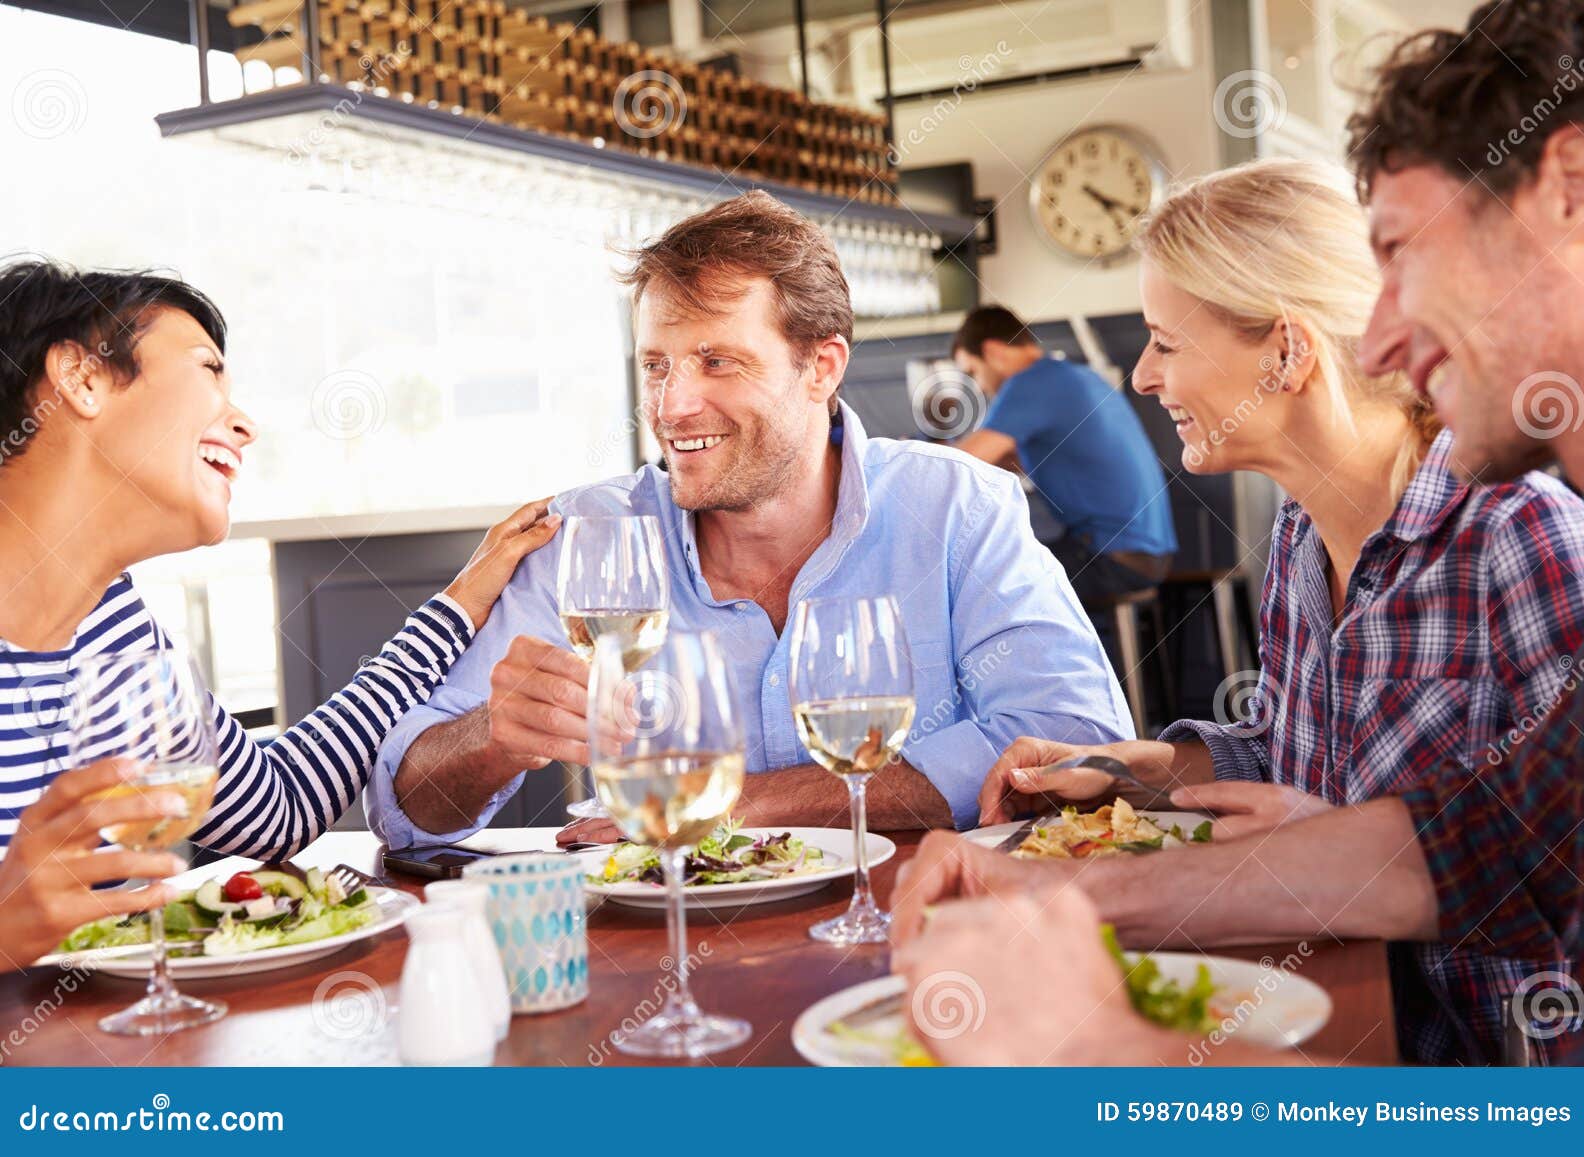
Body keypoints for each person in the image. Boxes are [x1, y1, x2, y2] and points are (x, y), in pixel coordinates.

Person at [893, 0, 1584, 1067]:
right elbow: (1478, 837)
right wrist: (1094, 837)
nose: (1385, 334)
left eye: (1406, 254)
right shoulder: (1294, 542)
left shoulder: (1528, 535)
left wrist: (1110, 1041)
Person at [368, 191, 1132, 850]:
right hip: (668, 979)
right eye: (657, 365)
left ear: (822, 368)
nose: (670, 407)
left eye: (717, 361)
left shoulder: (956, 508)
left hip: (925, 952)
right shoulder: (587, 537)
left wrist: (737, 802)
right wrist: (492, 740)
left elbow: (1078, 740)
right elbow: (404, 810)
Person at [0, 260, 559, 970]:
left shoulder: (115, 630)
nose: (244, 422)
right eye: (208, 369)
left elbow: (280, 808)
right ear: (81, 380)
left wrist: (456, 608)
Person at [949, 306, 1176, 602]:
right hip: (1148, 554)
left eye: (973, 372)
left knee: (976, 585)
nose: (978, 386)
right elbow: (1012, 458)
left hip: (1112, 558)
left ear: (993, 352)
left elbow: (956, 466)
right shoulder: (1072, 376)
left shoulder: (1028, 383)